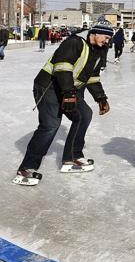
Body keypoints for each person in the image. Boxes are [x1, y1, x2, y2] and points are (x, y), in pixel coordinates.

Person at [13, 20, 114, 186]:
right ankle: (26, 168)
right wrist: (68, 94)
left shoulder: (99, 50)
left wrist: (101, 98)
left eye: (109, 38)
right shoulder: (74, 43)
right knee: (51, 125)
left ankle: (72, 158)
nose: (107, 41)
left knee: (84, 114)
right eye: (105, 37)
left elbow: (93, 78)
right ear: (94, 33)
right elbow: (62, 67)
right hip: (49, 86)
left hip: (68, 88)